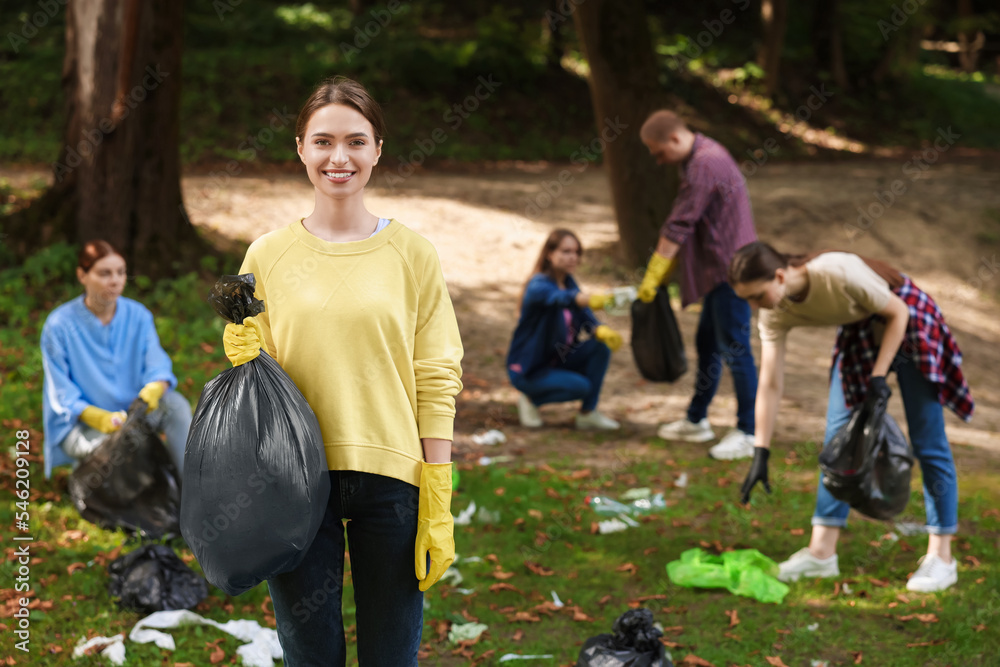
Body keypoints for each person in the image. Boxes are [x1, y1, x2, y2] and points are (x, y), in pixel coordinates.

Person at [221, 76, 463, 666]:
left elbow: (436, 373)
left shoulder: (413, 254)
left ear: (378, 149)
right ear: (300, 148)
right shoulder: (266, 255)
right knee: (311, 654)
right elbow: (261, 382)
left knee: (391, 654)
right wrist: (241, 350)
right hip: (297, 480)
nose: (339, 157)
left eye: (356, 141)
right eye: (323, 141)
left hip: (394, 480)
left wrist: (437, 489)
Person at [730, 241, 973, 593]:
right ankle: (821, 553)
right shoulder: (775, 311)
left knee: (926, 438)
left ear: (780, 276)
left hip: (907, 318)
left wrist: (878, 375)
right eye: (747, 300)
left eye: (756, 296)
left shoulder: (836, 272)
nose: (754, 307)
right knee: (839, 440)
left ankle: (942, 557)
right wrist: (760, 450)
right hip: (860, 328)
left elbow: (898, 313)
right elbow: (770, 382)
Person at [636, 110, 759, 460]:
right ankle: (697, 419)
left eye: (659, 152)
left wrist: (654, 273)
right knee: (708, 343)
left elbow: (679, 225)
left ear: (675, 138)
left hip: (730, 273)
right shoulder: (702, 156)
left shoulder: (705, 163)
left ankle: (749, 431)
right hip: (720, 271)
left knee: (736, 350)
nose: (659, 161)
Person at [41, 240, 191, 480]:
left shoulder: (138, 316)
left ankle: (190, 487)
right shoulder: (59, 325)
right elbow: (61, 394)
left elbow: (157, 365)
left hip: (132, 415)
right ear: (82, 275)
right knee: (120, 453)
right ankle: (85, 475)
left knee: (176, 406)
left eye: (121, 272)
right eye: (104, 273)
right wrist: (97, 417)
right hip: (82, 425)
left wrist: (155, 388)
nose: (115, 280)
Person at [506, 229, 625, 430]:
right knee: (581, 386)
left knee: (600, 346)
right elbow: (561, 299)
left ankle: (588, 413)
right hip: (529, 369)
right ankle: (530, 399)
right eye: (566, 251)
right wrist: (597, 299)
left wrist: (601, 330)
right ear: (550, 254)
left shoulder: (569, 283)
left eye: (576, 252)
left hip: (557, 359)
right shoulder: (538, 284)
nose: (573, 257)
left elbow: (585, 316)